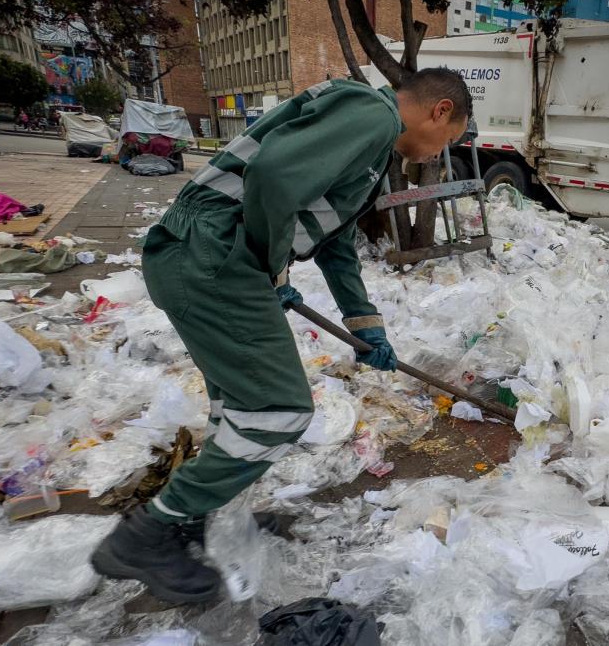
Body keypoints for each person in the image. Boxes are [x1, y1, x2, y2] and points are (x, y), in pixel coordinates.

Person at [90, 68, 472, 604]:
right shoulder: (372, 114)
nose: (437, 154)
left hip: (210, 254)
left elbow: (335, 245)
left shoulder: (372, 151)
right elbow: (272, 175)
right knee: (278, 410)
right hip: (212, 253)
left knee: (239, 407)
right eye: (448, 140)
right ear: (440, 110)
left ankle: (194, 515)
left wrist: (368, 329)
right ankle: (145, 536)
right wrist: (272, 266)